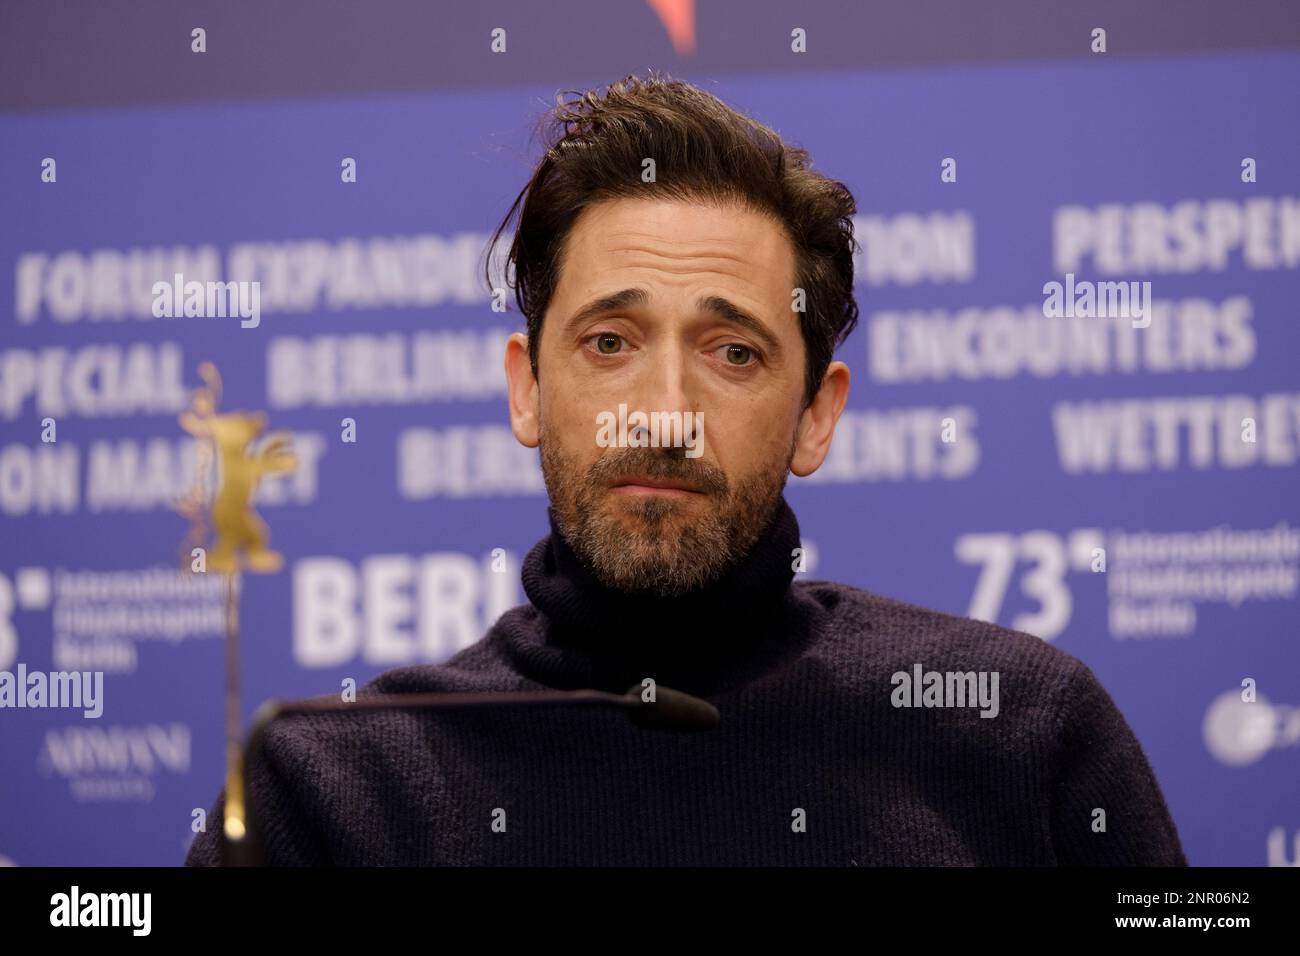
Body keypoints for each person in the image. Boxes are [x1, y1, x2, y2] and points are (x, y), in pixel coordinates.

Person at [186, 71, 1186, 866]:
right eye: (610, 342)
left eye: (733, 352)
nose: (661, 415)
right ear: (527, 388)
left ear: (814, 413)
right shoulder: (329, 789)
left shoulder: (1017, 732)